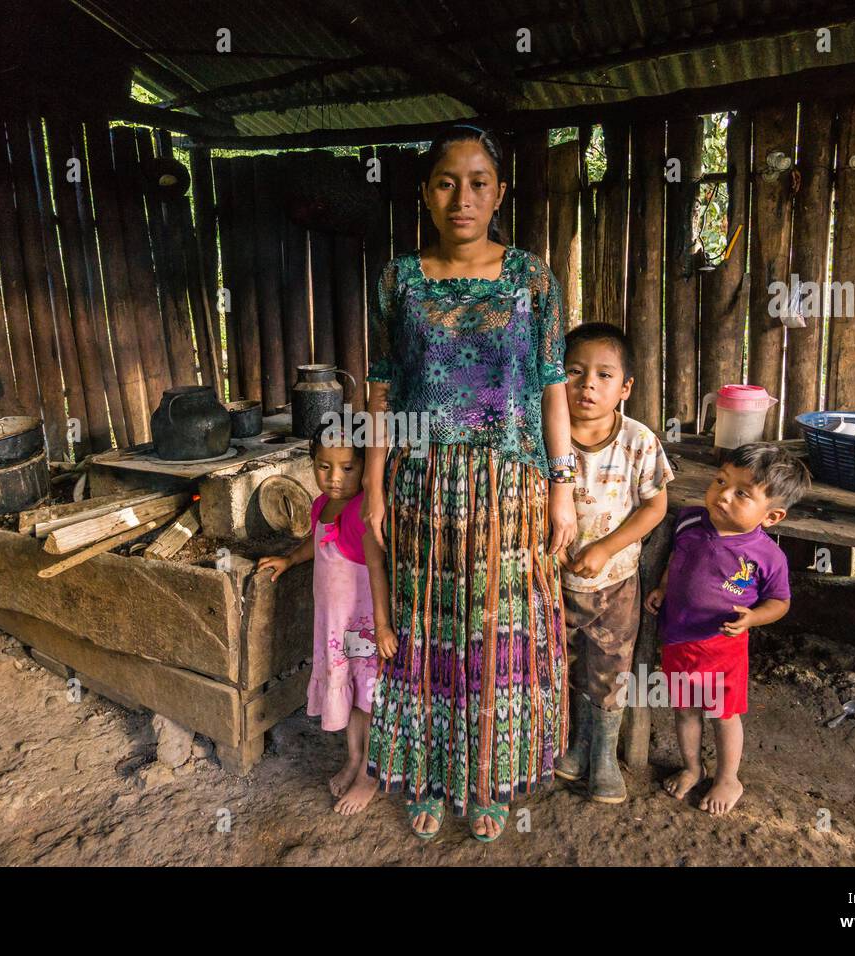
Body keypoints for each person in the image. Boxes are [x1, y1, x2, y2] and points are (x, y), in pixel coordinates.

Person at [361, 123, 578, 842]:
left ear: (499, 193)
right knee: (426, 634)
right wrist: (371, 481)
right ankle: (426, 776)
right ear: (425, 194)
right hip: (423, 482)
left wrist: (563, 486)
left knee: (493, 636)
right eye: (447, 182)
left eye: (478, 182)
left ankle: (485, 783)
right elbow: (383, 387)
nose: (463, 197)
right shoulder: (399, 279)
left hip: (509, 485)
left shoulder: (531, 278)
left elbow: (551, 389)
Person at [643, 442, 811, 815]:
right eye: (720, 481)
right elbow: (676, 558)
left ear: (771, 517)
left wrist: (752, 617)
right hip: (677, 640)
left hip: (721, 647)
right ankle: (691, 767)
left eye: (742, 494)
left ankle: (727, 777)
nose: (723, 495)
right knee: (684, 709)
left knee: (722, 714)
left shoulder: (767, 556)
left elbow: (779, 603)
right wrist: (663, 587)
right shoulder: (687, 520)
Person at [554, 322, 673, 803]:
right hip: (550, 581)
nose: (588, 385)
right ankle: (574, 746)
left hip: (615, 583)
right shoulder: (547, 433)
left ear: (625, 388)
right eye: (575, 372)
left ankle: (602, 756)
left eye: (604, 375)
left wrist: (605, 547)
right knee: (560, 665)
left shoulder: (638, 441)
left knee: (608, 669)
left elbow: (655, 506)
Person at [256, 427, 394, 815]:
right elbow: (316, 544)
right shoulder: (321, 505)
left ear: (366, 467)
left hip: (362, 626)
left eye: (348, 467)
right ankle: (353, 759)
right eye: (324, 467)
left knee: (367, 699)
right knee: (350, 696)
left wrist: (382, 626)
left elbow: (377, 568)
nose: (335, 478)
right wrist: (289, 559)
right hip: (333, 628)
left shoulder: (361, 512)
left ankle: (370, 772)